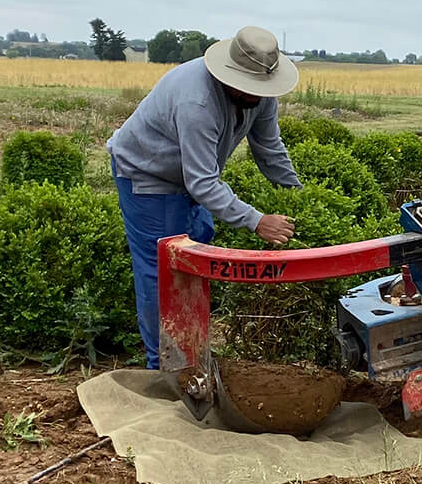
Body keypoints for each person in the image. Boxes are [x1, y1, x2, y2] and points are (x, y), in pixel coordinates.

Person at [107, 25, 303, 368]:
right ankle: (165, 364)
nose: (257, 94)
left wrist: (299, 196)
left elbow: (270, 150)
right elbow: (202, 182)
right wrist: (257, 221)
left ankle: (192, 348)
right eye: (249, 87)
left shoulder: (261, 95)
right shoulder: (196, 101)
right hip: (149, 175)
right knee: (164, 267)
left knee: (199, 247)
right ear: (230, 76)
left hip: (191, 175)